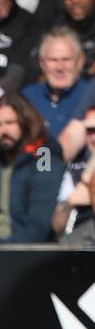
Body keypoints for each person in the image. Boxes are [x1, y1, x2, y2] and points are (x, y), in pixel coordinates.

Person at [0, 93, 64, 243]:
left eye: (10, 122)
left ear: (25, 122)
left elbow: (39, 226)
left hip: (24, 254)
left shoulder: (45, 155)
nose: (4, 131)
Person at [32, 27, 95, 159]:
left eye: (66, 59)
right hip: (33, 173)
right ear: (42, 63)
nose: (60, 67)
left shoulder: (90, 98)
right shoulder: (27, 98)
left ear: (80, 61)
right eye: (53, 60)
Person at [52, 102, 95, 241]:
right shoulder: (70, 171)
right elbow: (56, 227)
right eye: (89, 131)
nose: (94, 138)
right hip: (77, 245)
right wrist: (70, 203)